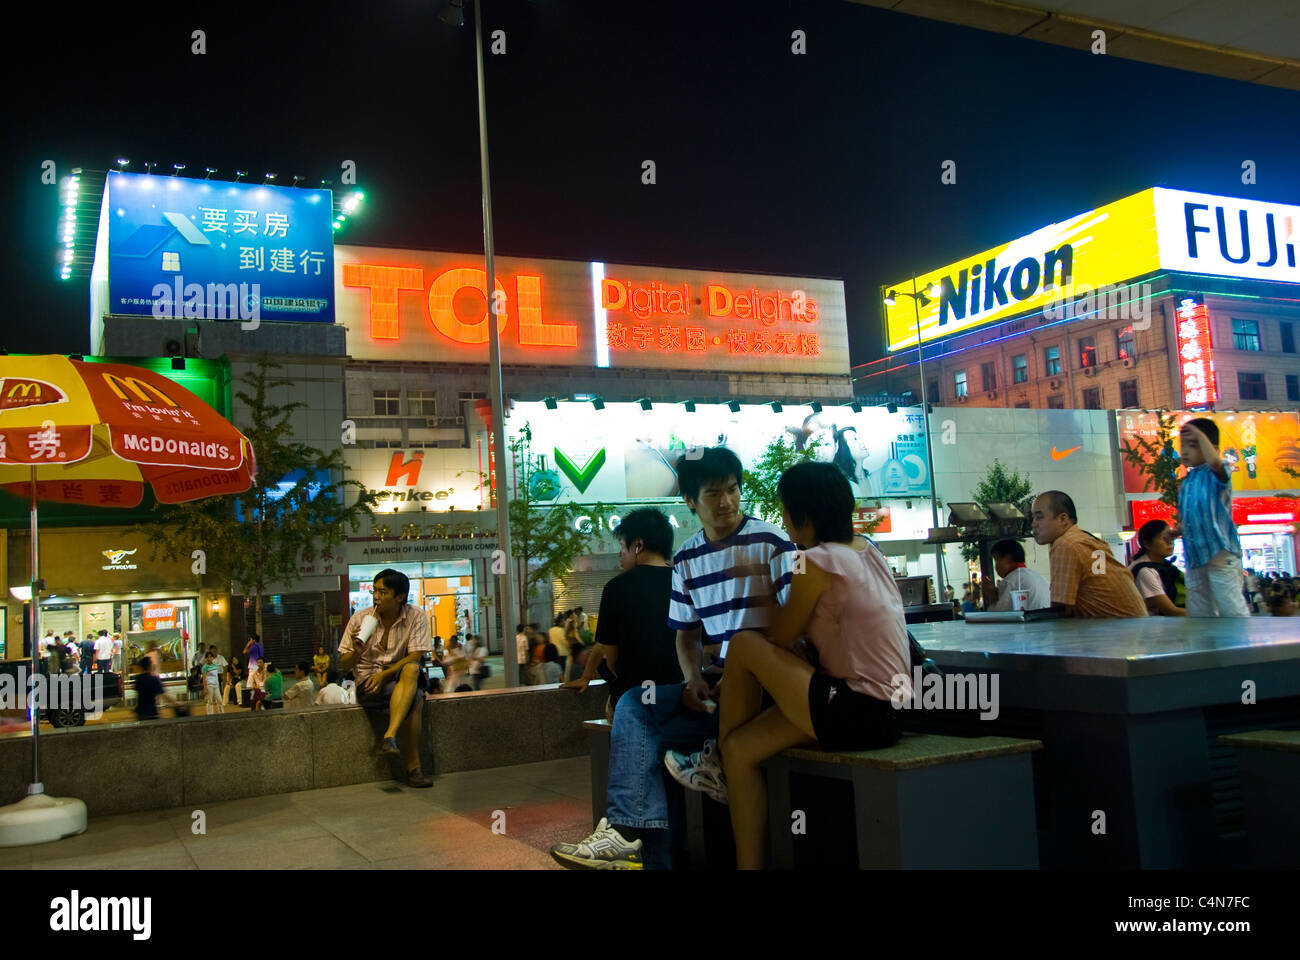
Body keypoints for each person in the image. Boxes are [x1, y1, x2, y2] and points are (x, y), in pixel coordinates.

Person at [550, 447, 797, 870]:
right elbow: (685, 636)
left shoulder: (771, 542)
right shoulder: (686, 560)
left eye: (733, 490)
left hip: (769, 690)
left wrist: (736, 676)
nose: (726, 502)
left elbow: (795, 626)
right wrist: (692, 678)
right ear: (689, 501)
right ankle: (629, 837)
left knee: (644, 742)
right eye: (713, 493)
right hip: (716, 691)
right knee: (634, 707)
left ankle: (635, 840)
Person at [668, 462, 911, 869]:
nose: (782, 520)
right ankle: (729, 775)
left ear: (805, 514)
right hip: (886, 709)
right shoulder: (867, 549)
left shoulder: (812, 561)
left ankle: (713, 762)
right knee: (742, 749)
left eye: (785, 510)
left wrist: (754, 588)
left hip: (855, 707)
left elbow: (779, 635)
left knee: (743, 641)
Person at [562, 508, 681, 723]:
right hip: (679, 696)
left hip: (632, 697)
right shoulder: (684, 582)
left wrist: (586, 677)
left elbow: (611, 659)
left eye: (622, 546)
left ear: (637, 546)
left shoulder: (616, 588)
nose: (620, 554)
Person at [338, 569, 434, 787]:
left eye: (383, 592)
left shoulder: (415, 616)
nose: (376, 597)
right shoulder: (360, 619)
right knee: (416, 699)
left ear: (399, 597)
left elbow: (416, 655)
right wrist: (356, 650)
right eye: (375, 591)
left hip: (399, 676)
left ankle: (389, 736)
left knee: (411, 669)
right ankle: (413, 769)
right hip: (368, 682)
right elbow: (344, 665)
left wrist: (385, 675)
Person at [1030, 490, 1146, 618]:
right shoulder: (1088, 540)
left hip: (1114, 631)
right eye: (1033, 517)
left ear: (1063, 519)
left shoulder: (1066, 544)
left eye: (1039, 517)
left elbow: (1061, 611)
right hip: (1134, 624)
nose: (1034, 524)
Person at [1178, 418, 1251, 617]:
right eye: (1183, 445)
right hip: (1195, 556)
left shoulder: (1218, 471)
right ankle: (1206, 646)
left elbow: (1215, 463)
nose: (1185, 451)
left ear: (1213, 448)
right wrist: (1176, 530)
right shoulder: (1187, 482)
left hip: (1220, 553)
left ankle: (1241, 647)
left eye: (1193, 445)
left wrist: (1200, 436)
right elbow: (1188, 517)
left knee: (1231, 607)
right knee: (1199, 611)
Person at [1128, 519, 1187, 617]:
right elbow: (1171, 611)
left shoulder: (1165, 566)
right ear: (1147, 544)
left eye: (1172, 537)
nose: (1170, 542)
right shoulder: (1144, 571)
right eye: (1165, 538)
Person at [980, 539, 1051, 612]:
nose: (996, 567)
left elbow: (999, 614)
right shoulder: (1037, 576)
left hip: (1030, 622)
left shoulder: (1011, 581)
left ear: (1008, 558)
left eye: (996, 560)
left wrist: (991, 598)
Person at [135, 655, 175, 721]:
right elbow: (164, 695)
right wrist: (176, 703)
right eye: (151, 663)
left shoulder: (138, 679)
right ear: (149, 666)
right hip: (151, 712)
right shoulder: (154, 679)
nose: (153, 665)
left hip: (141, 713)